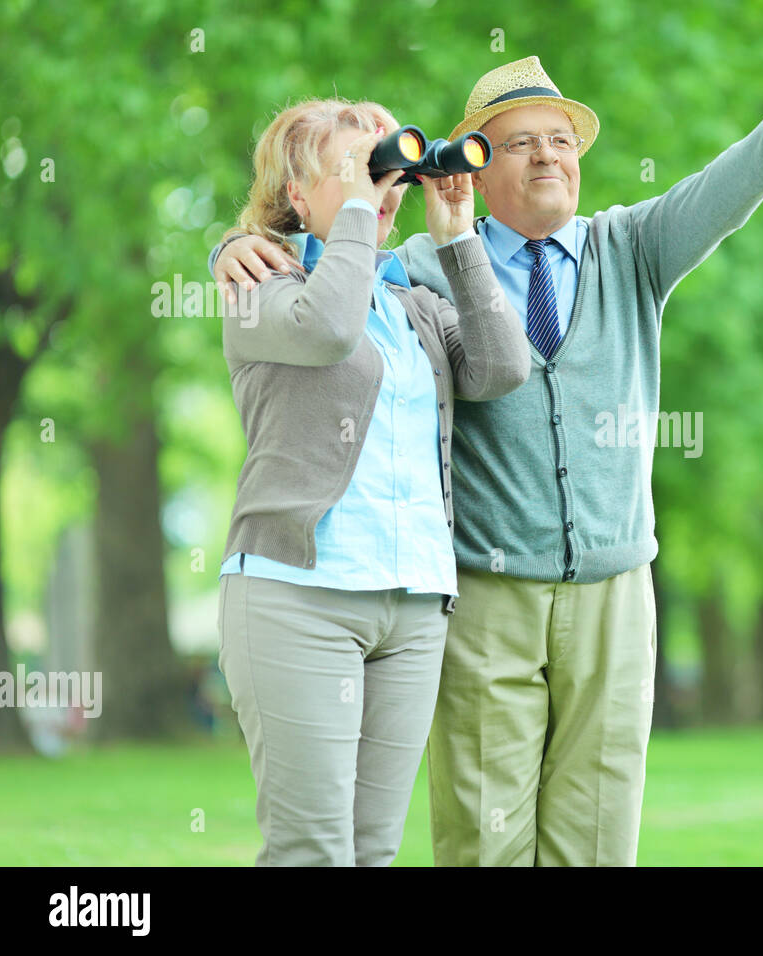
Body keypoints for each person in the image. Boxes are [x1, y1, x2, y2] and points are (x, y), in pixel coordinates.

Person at [212, 58, 763, 866]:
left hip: (610, 589)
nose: (548, 155)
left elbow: (716, 196)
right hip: (484, 589)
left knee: (596, 834)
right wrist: (237, 243)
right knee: (481, 833)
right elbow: (316, 290)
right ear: (477, 168)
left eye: (561, 140)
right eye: (520, 143)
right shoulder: (413, 266)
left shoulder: (625, 249)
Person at [214, 97, 529, 866]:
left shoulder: (414, 304)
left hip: (413, 604)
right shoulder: (262, 286)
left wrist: (458, 243)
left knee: (372, 851)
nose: (382, 188)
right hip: (298, 595)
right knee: (312, 852)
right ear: (297, 195)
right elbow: (328, 329)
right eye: (355, 169)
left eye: (387, 171)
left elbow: (501, 368)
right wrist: (358, 205)